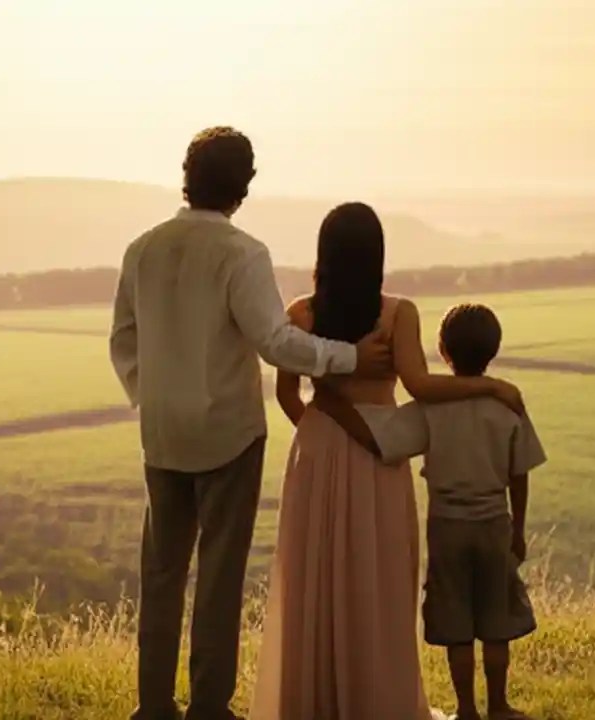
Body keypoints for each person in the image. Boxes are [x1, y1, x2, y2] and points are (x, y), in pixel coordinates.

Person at [109, 127, 395, 720]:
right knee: (218, 575)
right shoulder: (242, 254)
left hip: (162, 434)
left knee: (161, 575)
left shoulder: (143, 248)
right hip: (229, 434)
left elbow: (124, 339)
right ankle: (209, 708)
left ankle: (152, 705)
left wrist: (155, 394)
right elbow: (274, 342)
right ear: (243, 186)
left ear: (187, 177)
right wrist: (349, 358)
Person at [249, 203, 524, 720]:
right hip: (381, 457)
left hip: (316, 455)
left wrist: (320, 431)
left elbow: (289, 395)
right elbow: (419, 386)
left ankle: (317, 699)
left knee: (316, 580)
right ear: (377, 255)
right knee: (380, 582)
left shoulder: (302, 315)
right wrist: (488, 384)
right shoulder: (398, 313)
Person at [312, 303, 546, 720]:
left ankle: (466, 711)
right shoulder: (508, 404)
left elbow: (379, 439)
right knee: (496, 621)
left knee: (456, 622)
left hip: (447, 529)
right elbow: (520, 473)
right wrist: (519, 529)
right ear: (494, 349)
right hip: (494, 524)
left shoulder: (432, 408)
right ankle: (499, 706)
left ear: (443, 351)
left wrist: (332, 405)